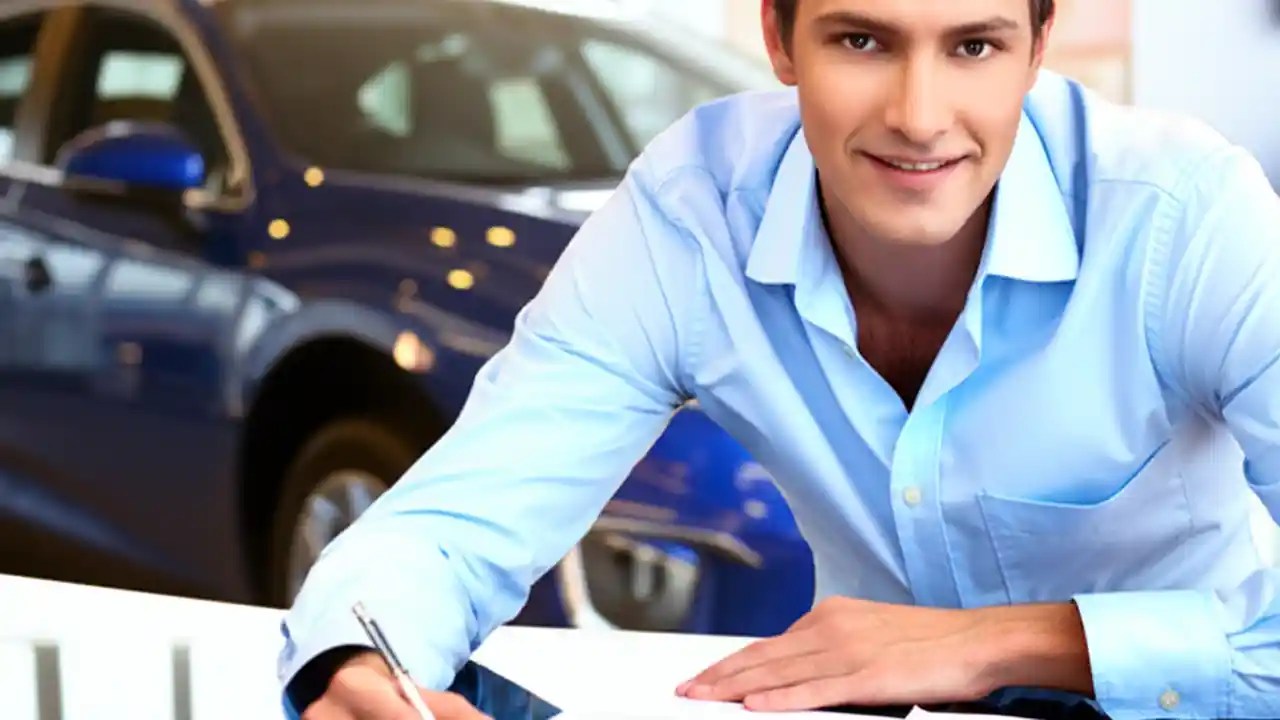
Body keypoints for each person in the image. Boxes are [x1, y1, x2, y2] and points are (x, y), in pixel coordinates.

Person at [278, 0, 1280, 718]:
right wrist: (358, 668)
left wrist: (991, 647)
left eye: (972, 45)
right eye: (860, 40)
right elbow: (457, 518)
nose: (919, 115)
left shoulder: (1182, 220)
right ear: (777, 37)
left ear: (1036, 46)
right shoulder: (691, 209)